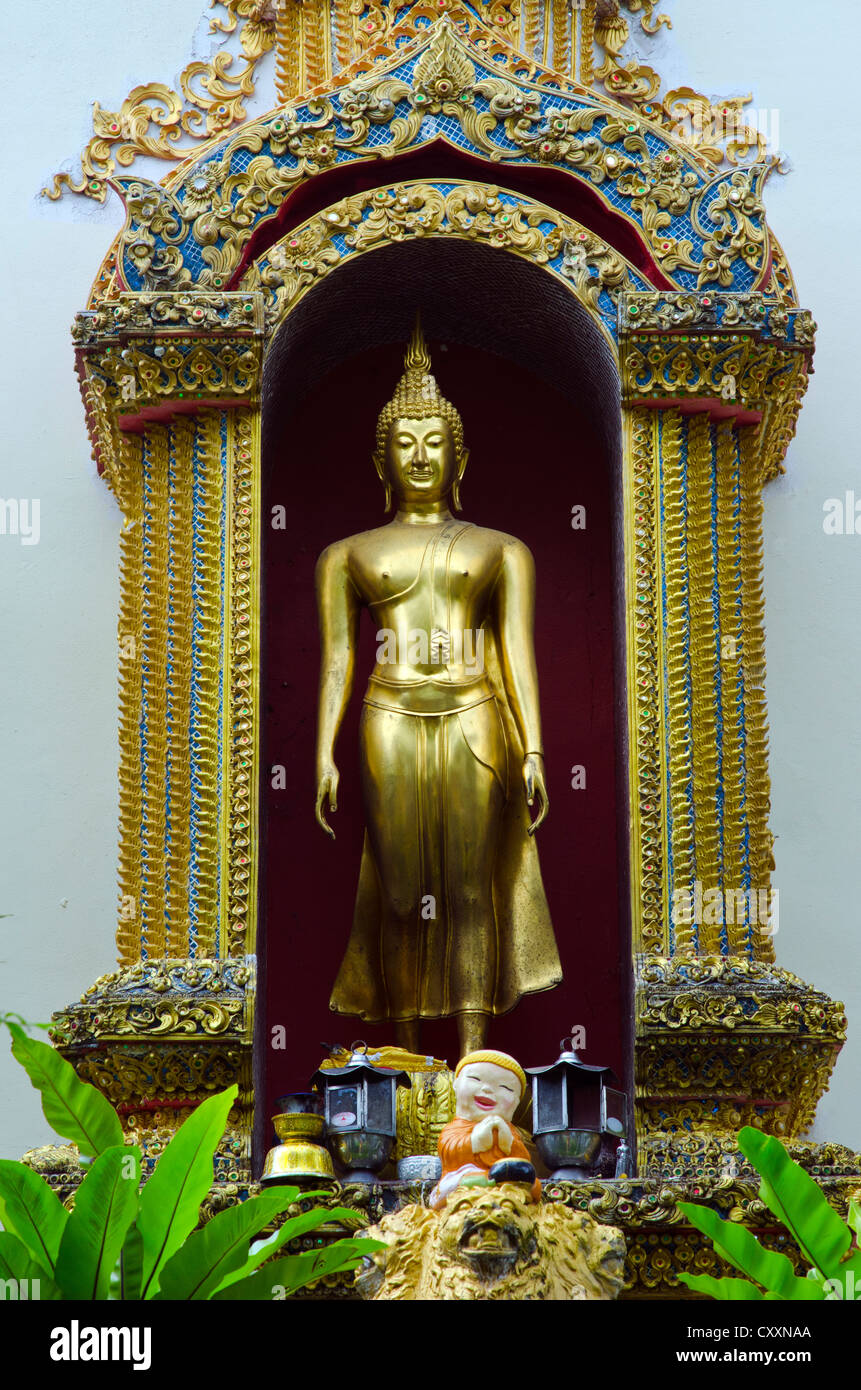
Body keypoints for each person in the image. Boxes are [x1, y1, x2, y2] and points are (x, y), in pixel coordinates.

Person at [315, 322, 561, 1054]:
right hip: (387, 713)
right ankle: (402, 1057)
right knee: (397, 892)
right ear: (380, 458)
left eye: (434, 442)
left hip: (475, 715)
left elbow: (517, 651)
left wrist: (537, 750)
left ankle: (471, 1062)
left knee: (466, 890)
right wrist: (324, 751)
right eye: (405, 443)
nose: (420, 456)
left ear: (459, 455)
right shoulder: (347, 555)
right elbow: (338, 658)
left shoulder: (500, 549)